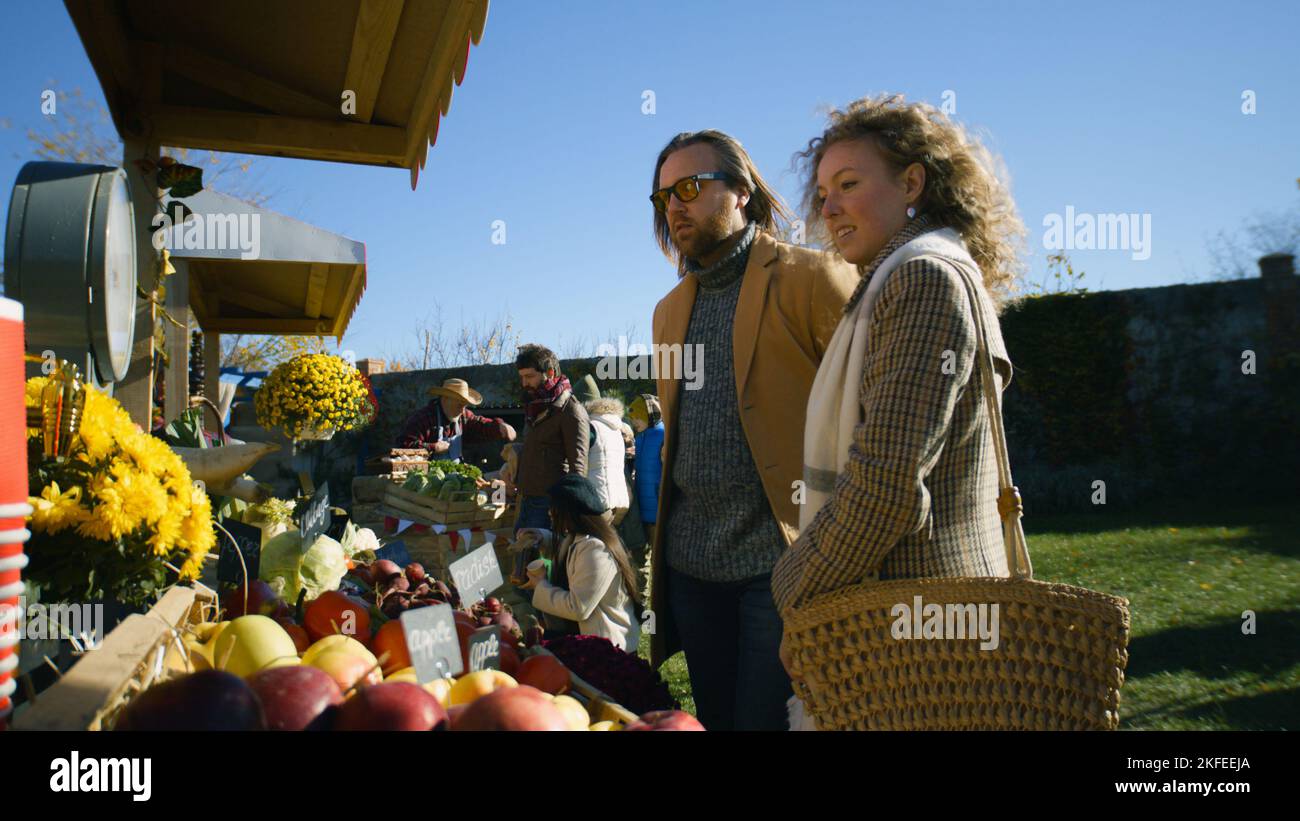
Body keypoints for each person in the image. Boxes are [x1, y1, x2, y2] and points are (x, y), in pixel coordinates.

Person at [770, 94, 1025, 678]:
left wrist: (789, 588)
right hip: (914, 616)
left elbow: (885, 488)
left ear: (912, 183)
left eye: (849, 184)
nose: (829, 208)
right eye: (823, 193)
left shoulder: (923, 280)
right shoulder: (897, 277)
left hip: (926, 635)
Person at [646, 130, 859, 731]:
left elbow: (866, 422)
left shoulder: (814, 277)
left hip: (782, 566)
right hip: (691, 571)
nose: (674, 206)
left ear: (741, 190)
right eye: (663, 196)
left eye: (690, 187)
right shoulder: (666, 311)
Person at [519, 474, 642, 653]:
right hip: (587, 641)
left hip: (607, 652)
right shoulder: (582, 539)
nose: (549, 512)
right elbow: (566, 547)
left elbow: (578, 608)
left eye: (553, 508)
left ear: (567, 512)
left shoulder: (595, 550)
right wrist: (540, 536)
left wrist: (540, 585)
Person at [511, 344, 590, 582]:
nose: (525, 383)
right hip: (527, 500)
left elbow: (579, 469)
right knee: (521, 577)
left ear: (551, 374)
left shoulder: (571, 411)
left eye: (530, 376)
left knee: (538, 576)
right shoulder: (535, 409)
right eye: (522, 377)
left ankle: (548, 619)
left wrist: (567, 514)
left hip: (549, 507)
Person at [395, 377, 515, 459]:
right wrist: (432, 447)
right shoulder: (422, 419)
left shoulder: (463, 416)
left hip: (454, 478)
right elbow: (403, 446)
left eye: (465, 405)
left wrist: (501, 426)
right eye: (459, 405)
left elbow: (480, 425)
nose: (463, 410)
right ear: (445, 399)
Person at [584, 395, 632, 525]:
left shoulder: (590, 427)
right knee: (608, 539)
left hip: (597, 497)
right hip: (617, 497)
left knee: (594, 542)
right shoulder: (616, 428)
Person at [627, 394, 663, 551]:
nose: (634, 422)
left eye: (637, 417)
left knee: (659, 553)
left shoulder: (663, 435)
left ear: (649, 415)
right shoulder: (640, 437)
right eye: (632, 418)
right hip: (642, 507)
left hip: (658, 508)